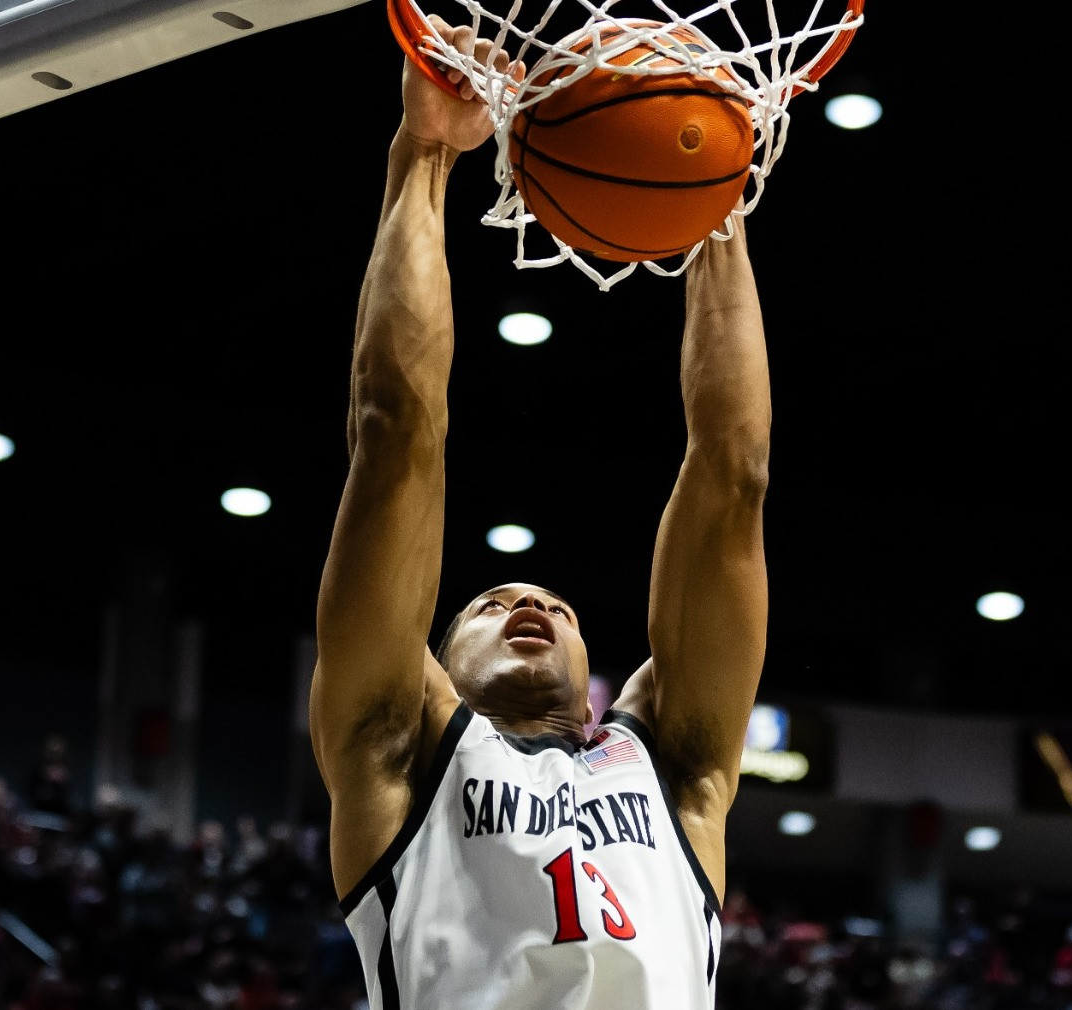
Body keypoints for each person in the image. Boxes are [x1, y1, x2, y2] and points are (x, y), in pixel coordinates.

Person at [308, 16, 773, 1008]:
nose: (530, 604)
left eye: (556, 607)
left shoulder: (676, 768)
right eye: (492, 604)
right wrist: (423, 154)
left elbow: (732, 469)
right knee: (394, 449)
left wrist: (712, 205)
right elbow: (394, 429)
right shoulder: (397, 748)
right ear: (435, 661)